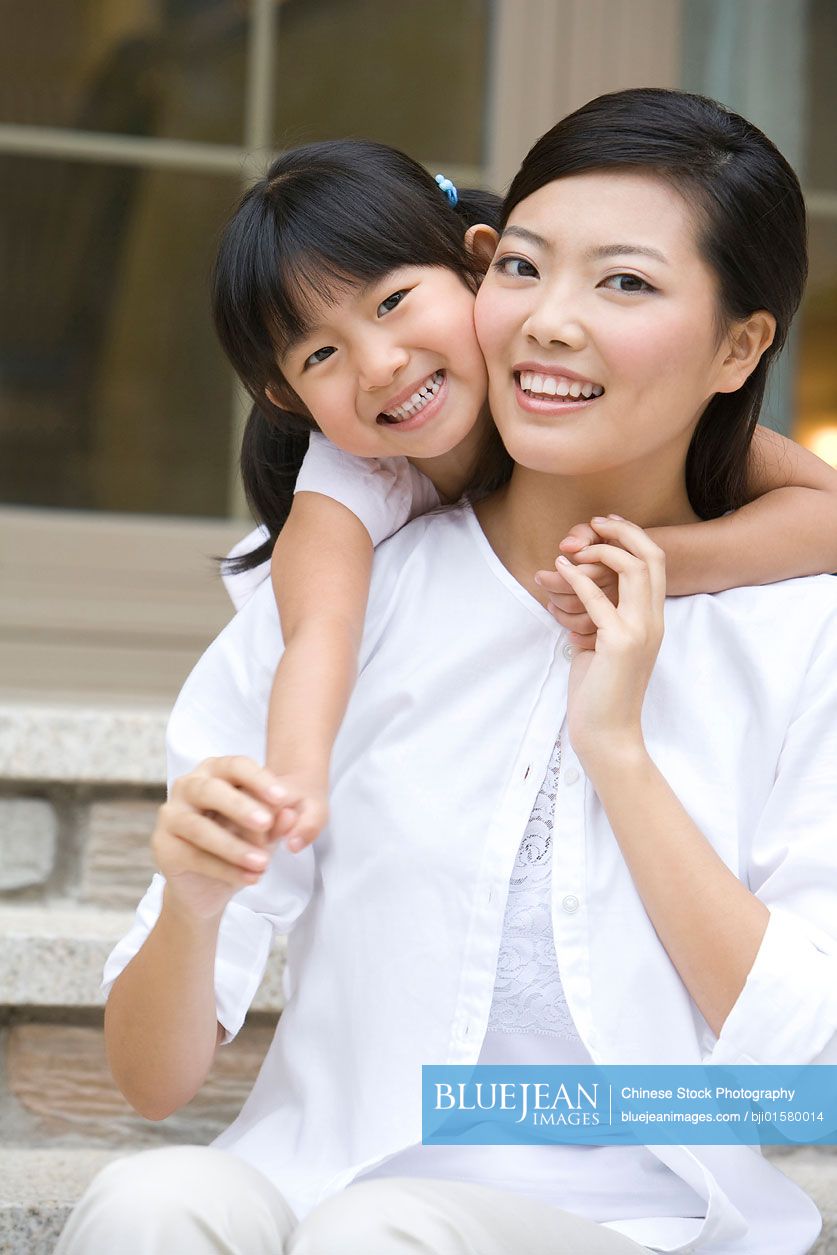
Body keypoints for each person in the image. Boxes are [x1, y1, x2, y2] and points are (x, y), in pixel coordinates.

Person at [56, 89, 837, 1255]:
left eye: (624, 283)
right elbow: (152, 1083)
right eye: (525, 266)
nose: (552, 321)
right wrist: (194, 901)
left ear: (740, 346)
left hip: (640, 1220)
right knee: (151, 1205)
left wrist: (617, 749)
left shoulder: (801, 639)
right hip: (319, 1180)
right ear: (482, 271)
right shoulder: (346, 592)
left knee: (383, 1231)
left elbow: (806, 1071)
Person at [213, 138, 837, 854]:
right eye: (321, 355)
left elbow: (825, 511)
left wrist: (654, 562)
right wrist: (296, 779)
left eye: (392, 302)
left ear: (478, 266)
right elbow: (319, 632)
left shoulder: (569, 393)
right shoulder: (349, 479)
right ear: (287, 398)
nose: (380, 366)